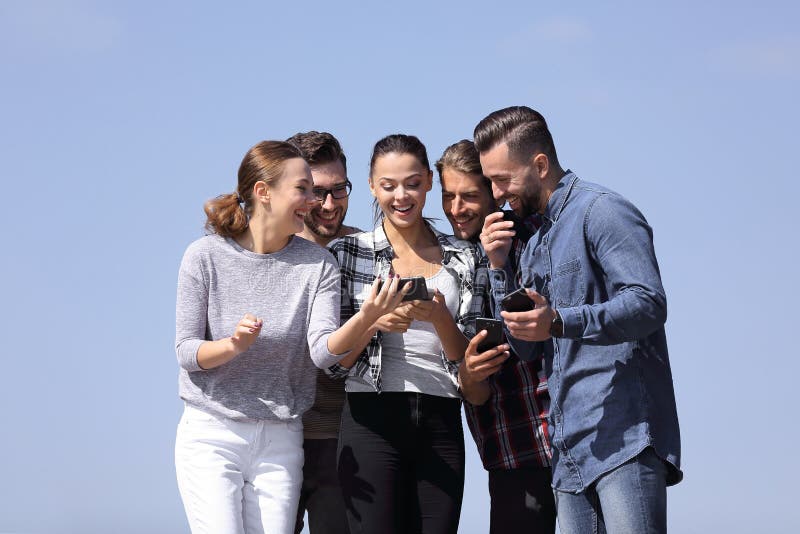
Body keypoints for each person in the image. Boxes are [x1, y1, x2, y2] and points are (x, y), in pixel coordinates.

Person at [473, 106, 682, 534]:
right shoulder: (528, 241)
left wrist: (560, 321)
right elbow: (528, 350)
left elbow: (648, 303)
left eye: (502, 179)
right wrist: (498, 270)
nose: (495, 194)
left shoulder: (601, 211)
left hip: (623, 438)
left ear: (541, 164)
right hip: (567, 453)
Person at [174, 140, 344, 534]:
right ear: (263, 192)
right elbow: (185, 350)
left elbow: (322, 349)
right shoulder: (203, 257)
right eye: (302, 189)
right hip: (212, 433)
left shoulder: (318, 265)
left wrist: (368, 316)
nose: (314, 201)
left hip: (282, 439)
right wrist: (233, 346)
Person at [327, 134, 484, 534]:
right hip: (370, 418)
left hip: (441, 419)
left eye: (413, 183)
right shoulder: (346, 252)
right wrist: (372, 321)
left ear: (430, 181)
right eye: (388, 185)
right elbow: (334, 362)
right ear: (371, 186)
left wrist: (440, 318)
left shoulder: (466, 256)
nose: (402, 196)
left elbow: (471, 366)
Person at [435, 139, 556, 533]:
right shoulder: (446, 260)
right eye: (448, 196)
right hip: (503, 452)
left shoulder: (533, 240)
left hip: (554, 442)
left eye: (469, 195)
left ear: (493, 192)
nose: (456, 209)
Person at [286, 131, 357, 534]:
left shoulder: (366, 250)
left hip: (342, 438)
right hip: (278, 437)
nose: (330, 205)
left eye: (339, 190)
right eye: (317, 192)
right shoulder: (263, 252)